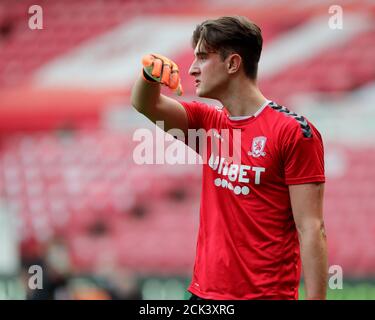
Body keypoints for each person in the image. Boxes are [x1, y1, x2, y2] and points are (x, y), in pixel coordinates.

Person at [131, 16, 328, 300]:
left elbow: (311, 227)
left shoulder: (294, 132)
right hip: (203, 296)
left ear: (233, 64)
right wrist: (149, 77)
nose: (192, 68)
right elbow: (145, 103)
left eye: (202, 57)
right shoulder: (206, 123)